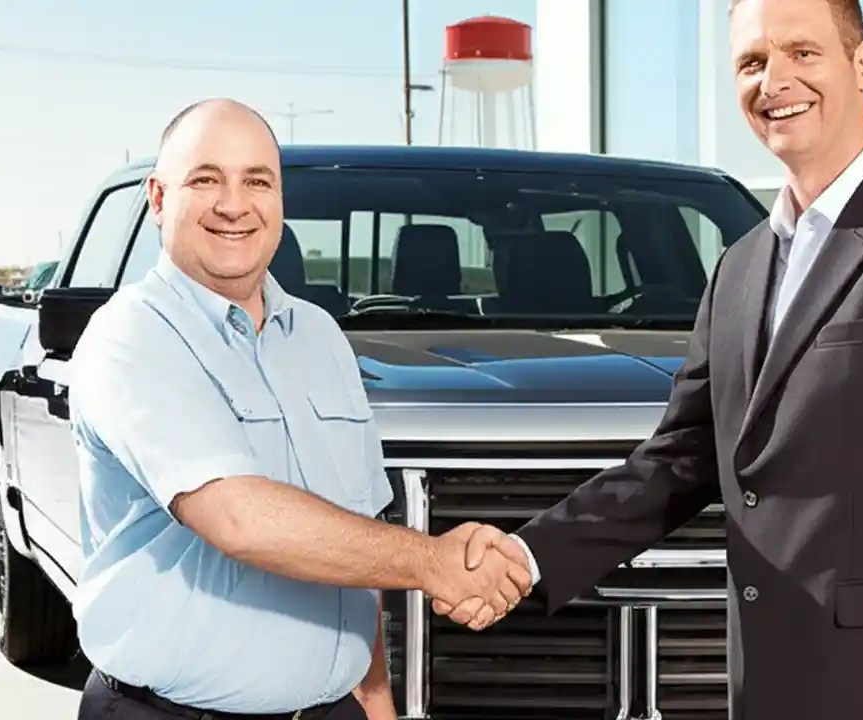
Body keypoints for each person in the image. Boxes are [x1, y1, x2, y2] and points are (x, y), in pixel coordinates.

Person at [439, 0, 863, 718]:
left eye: (803, 52)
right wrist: (528, 556)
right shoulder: (740, 267)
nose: (775, 81)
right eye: (752, 62)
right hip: (765, 687)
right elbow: (682, 459)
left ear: (862, 64)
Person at [69, 98, 530, 720]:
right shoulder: (132, 335)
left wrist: (375, 700)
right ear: (158, 197)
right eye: (206, 179)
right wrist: (434, 563)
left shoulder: (319, 336)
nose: (234, 205)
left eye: (257, 181)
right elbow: (236, 516)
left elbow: (355, 533)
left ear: (280, 200)